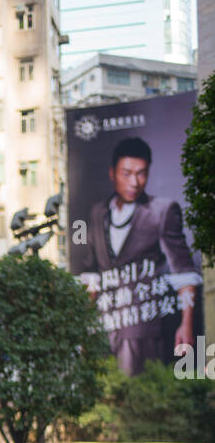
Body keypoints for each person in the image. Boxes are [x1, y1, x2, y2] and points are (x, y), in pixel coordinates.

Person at [77, 136, 200, 373]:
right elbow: (90, 272)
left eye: (142, 173)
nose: (134, 182)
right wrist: (82, 324)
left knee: (141, 400)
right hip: (104, 329)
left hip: (144, 331)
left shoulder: (162, 211)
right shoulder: (96, 212)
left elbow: (184, 271)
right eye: (127, 173)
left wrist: (186, 324)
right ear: (112, 173)